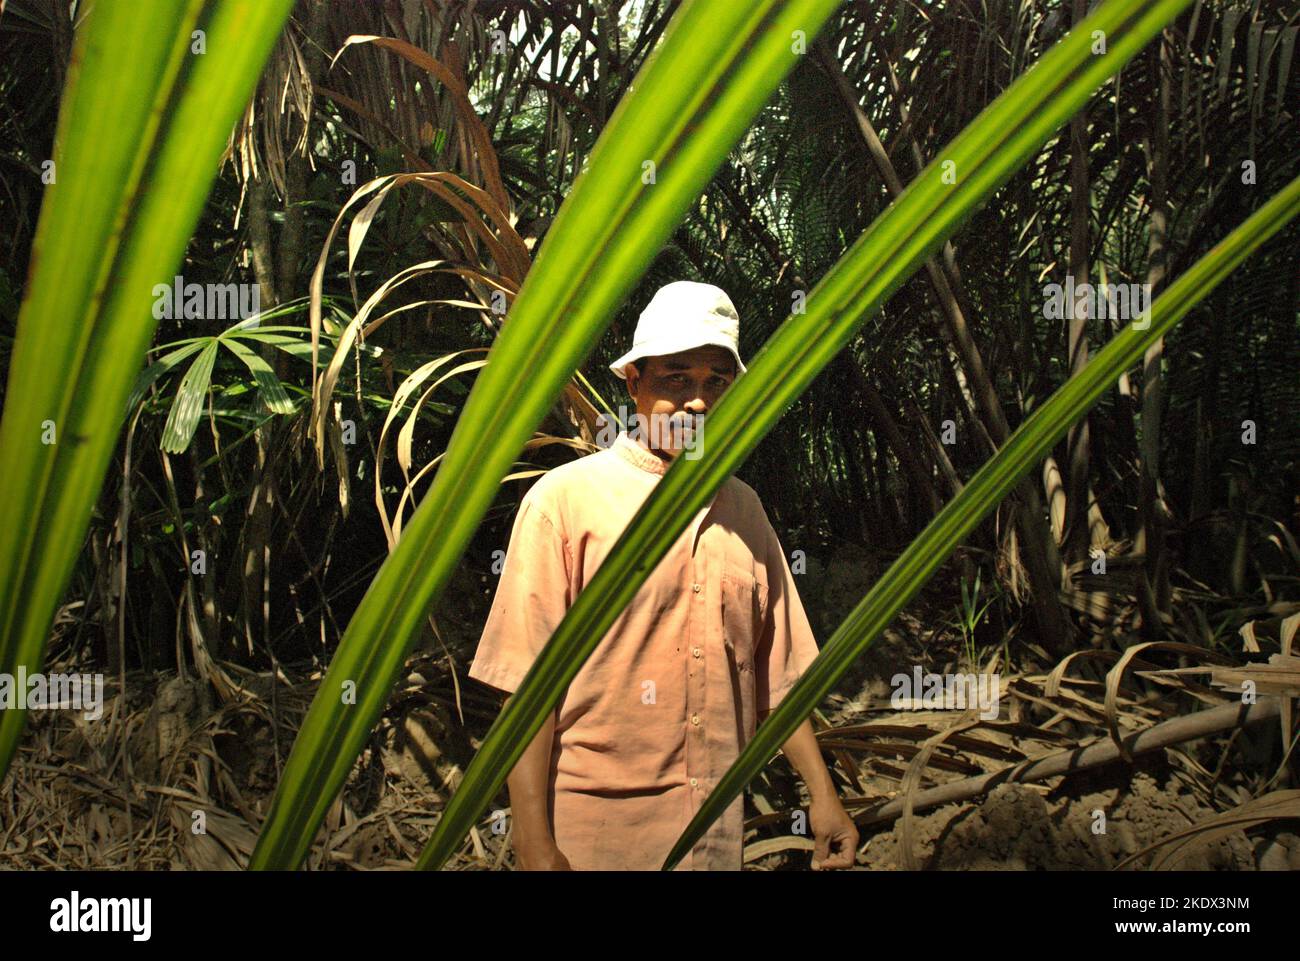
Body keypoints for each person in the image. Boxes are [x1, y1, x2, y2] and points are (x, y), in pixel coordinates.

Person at [468, 281, 858, 870]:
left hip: (717, 836)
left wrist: (824, 798)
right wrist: (532, 840)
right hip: (595, 840)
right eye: (676, 378)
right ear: (635, 381)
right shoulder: (565, 503)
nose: (697, 401)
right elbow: (527, 689)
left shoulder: (745, 510)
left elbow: (776, 681)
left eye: (715, 382)